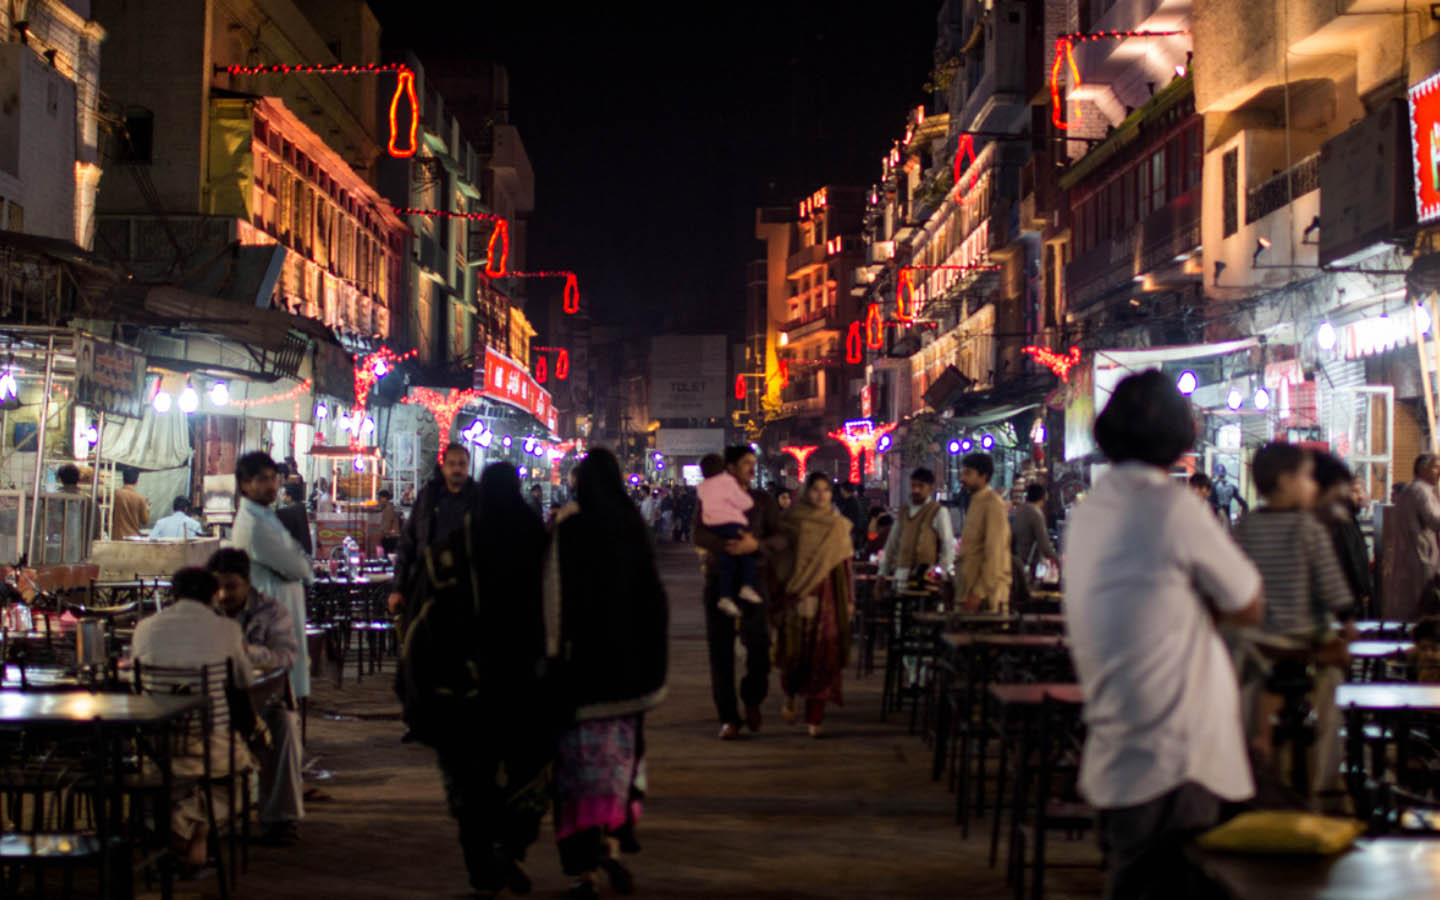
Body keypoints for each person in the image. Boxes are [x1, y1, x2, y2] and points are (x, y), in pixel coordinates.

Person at [1064, 370, 1263, 899]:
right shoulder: (1171, 506)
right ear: (1182, 434)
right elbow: (1247, 600)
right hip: (1176, 753)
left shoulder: (1090, 514)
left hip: (1116, 745)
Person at [399, 462, 552, 897]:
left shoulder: (453, 548)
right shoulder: (537, 542)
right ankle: (511, 850)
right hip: (523, 684)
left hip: (462, 686)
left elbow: (425, 613)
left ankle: (483, 868)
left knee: (470, 784)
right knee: (526, 776)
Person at [546, 448, 668, 899]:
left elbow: (553, 599)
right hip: (628, 676)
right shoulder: (632, 527)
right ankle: (612, 847)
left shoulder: (570, 528)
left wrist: (553, 658)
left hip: (581, 677)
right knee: (618, 767)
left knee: (576, 773)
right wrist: (654, 665)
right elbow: (654, 599)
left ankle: (582, 871)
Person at [1231, 442, 1353, 803]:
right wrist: (1346, 619)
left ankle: (1250, 761)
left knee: (1243, 691)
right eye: (1306, 478)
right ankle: (1324, 778)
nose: (1312, 486)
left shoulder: (1247, 525)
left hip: (1257, 643)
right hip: (1302, 643)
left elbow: (1233, 579)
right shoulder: (1308, 528)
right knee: (1333, 692)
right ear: (1286, 482)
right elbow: (1332, 587)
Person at [131, 567, 255, 868]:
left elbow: (136, 681)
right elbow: (244, 679)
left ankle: (182, 828)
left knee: (170, 786)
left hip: (154, 747)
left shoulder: (145, 628)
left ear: (173, 594)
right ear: (214, 595)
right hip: (211, 746)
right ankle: (193, 826)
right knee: (250, 778)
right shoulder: (226, 629)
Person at [208, 548, 304, 846]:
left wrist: (247, 653)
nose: (224, 595)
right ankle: (202, 821)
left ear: (248, 582)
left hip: (261, 702)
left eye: (231, 587)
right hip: (212, 704)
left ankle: (279, 818)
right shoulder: (204, 612)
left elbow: (287, 657)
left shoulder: (272, 612)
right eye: (218, 587)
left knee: (284, 725)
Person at [694, 444, 788, 740]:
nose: (751, 467)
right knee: (720, 651)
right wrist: (726, 547)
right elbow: (698, 532)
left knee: (759, 646)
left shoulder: (762, 501)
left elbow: (782, 536)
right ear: (730, 468)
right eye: (746, 463)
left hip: (755, 580)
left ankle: (752, 697)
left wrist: (756, 546)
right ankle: (728, 717)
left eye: (753, 463)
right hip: (719, 578)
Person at [230, 452, 314, 707]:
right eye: (261, 480)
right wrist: (301, 563)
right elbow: (297, 566)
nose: (270, 486)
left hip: (280, 602)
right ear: (245, 485)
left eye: (272, 479)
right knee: (278, 685)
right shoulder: (255, 525)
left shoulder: (265, 517)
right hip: (273, 604)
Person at [774, 472, 854, 737]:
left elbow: (845, 565)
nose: (821, 495)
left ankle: (815, 717)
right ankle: (790, 694)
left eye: (826, 490)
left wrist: (850, 600)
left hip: (829, 597)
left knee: (824, 654)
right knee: (796, 652)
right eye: (815, 489)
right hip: (797, 595)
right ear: (806, 492)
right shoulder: (791, 522)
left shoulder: (838, 525)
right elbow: (780, 559)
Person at [388, 444, 481, 618]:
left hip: (466, 589)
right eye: (452, 464)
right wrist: (398, 588)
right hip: (427, 585)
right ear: (444, 466)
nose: (457, 469)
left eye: (461, 464)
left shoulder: (478, 498)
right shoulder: (428, 497)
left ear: (468, 466)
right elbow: (408, 542)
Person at [696, 452, 761, 619]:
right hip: (732, 524)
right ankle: (746, 586)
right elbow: (743, 502)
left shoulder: (702, 487)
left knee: (727, 562)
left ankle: (725, 597)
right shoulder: (726, 482)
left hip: (714, 525)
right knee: (746, 553)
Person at [1312, 452, 1373, 617]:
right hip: (1344, 601)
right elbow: (1351, 558)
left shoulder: (1346, 517)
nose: (1360, 497)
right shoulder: (1340, 520)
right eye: (1353, 491)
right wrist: (1363, 590)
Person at [1381, 454, 1440, 621]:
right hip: (1421, 558)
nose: (1439, 472)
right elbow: (1435, 521)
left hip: (1416, 556)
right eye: (1435, 467)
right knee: (1422, 605)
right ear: (1422, 469)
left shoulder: (1414, 490)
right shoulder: (1421, 491)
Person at [879, 467, 955, 587]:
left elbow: (947, 546)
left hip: (927, 579)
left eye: (920, 486)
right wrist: (882, 574)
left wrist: (941, 572)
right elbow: (891, 545)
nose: (916, 490)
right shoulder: (904, 511)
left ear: (930, 488)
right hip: (901, 577)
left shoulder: (939, 511)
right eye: (913, 485)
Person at [956, 453, 1012, 613]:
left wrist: (978, 593)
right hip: (969, 592)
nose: (962, 478)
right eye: (963, 473)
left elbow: (996, 553)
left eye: (968, 473)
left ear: (983, 476)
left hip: (987, 599)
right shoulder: (975, 501)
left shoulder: (992, 504)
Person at [1010, 483, 1059, 585]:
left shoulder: (1020, 511)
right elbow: (1045, 547)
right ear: (1043, 497)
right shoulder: (1035, 513)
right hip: (1029, 565)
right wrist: (1059, 563)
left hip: (1017, 564)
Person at [275, 481, 313, 557]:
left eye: (283, 494)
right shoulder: (300, 507)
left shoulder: (292, 510)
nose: (281, 497)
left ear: (290, 496)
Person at [112, 465, 150, 539]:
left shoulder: (116, 495)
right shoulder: (140, 498)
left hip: (117, 537)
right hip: (133, 538)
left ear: (123, 479)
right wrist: (147, 506)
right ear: (136, 480)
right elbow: (145, 521)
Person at [836, 481, 868, 553]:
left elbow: (849, 519)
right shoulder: (853, 501)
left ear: (843, 490)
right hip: (854, 533)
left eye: (841, 489)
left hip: (851, 534)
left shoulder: (850, 503)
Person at [377, 489, 402, 555]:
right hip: (391, 537)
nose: (378, 500)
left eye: (379, 498)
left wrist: (381, 532)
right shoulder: (389, 508)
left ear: (384, 498)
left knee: (388, 557)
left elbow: (386, 525)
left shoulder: (388, 509)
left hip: (389, 538)